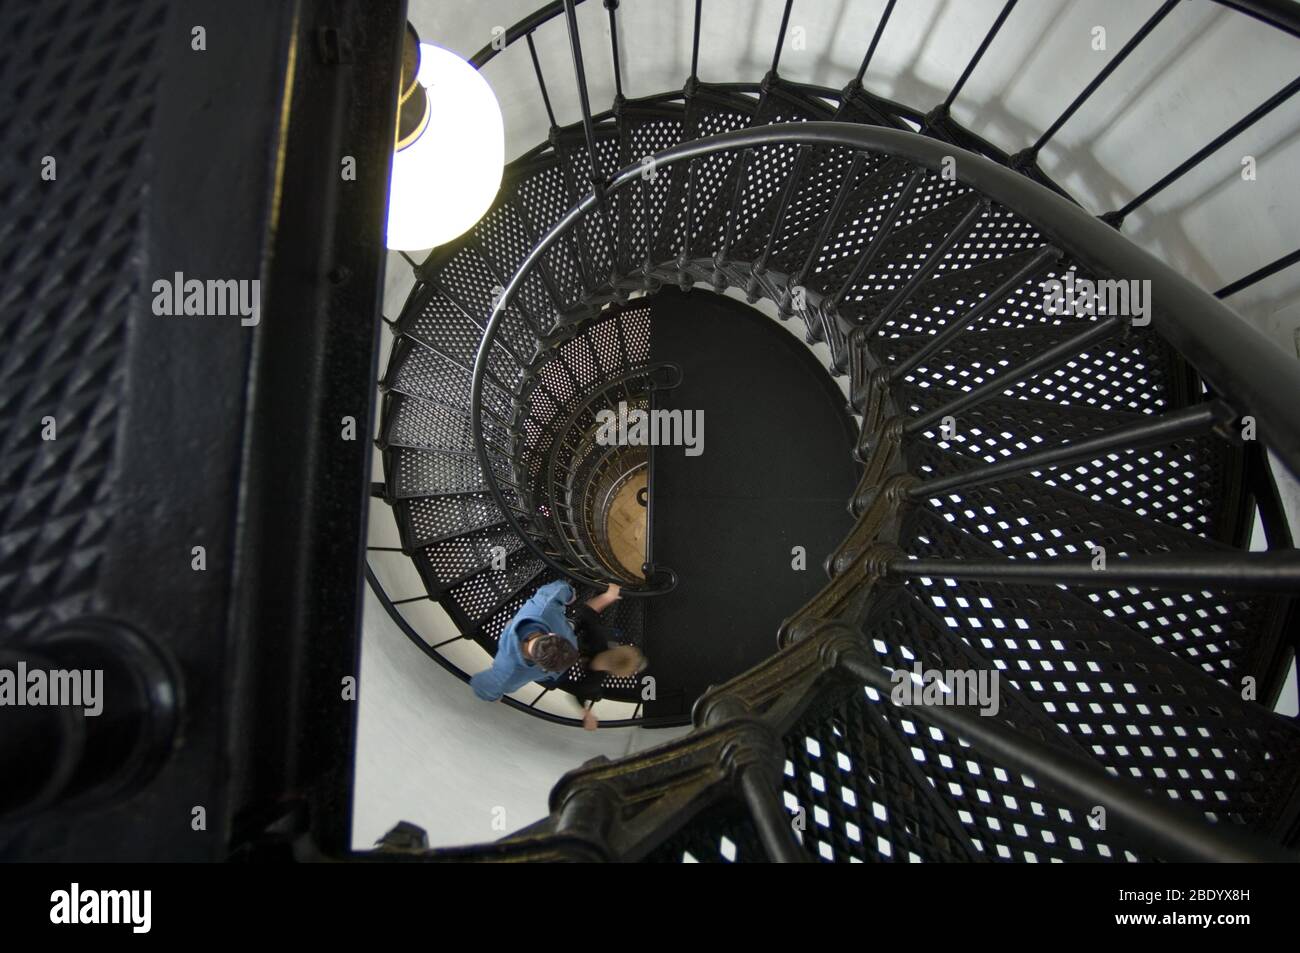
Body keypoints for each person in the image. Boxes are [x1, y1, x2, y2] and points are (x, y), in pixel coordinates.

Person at [469, 579, 645, 731]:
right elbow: (483, 687)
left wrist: (574, 594)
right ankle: (511, 626)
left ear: (553, 635)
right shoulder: (505, 671)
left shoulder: (543, 608)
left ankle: (511, 626)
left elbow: (560, 590)